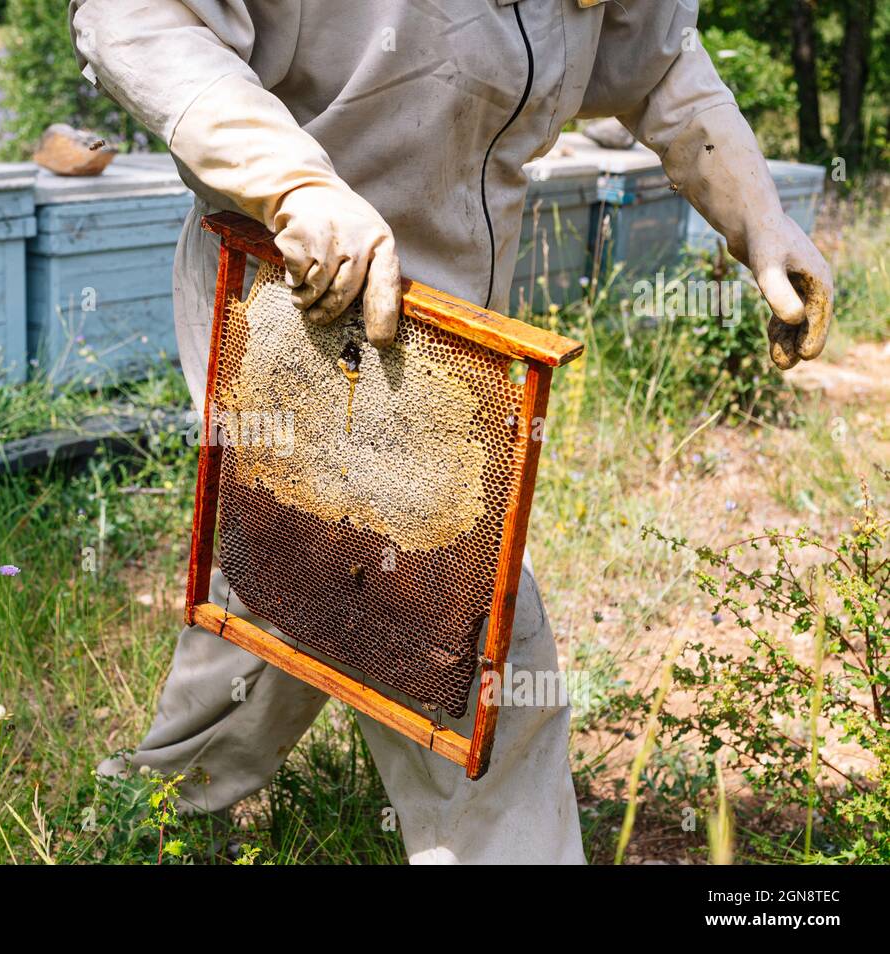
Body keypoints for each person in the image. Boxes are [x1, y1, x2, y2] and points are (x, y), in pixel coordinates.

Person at [67, 0, 834, 864]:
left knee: (290, 600)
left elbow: (656, 61)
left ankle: (149, 819)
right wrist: (296, 183)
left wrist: (759, 217)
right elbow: (134, 15)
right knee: (469, 660)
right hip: (294, 310)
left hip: (452, 338)